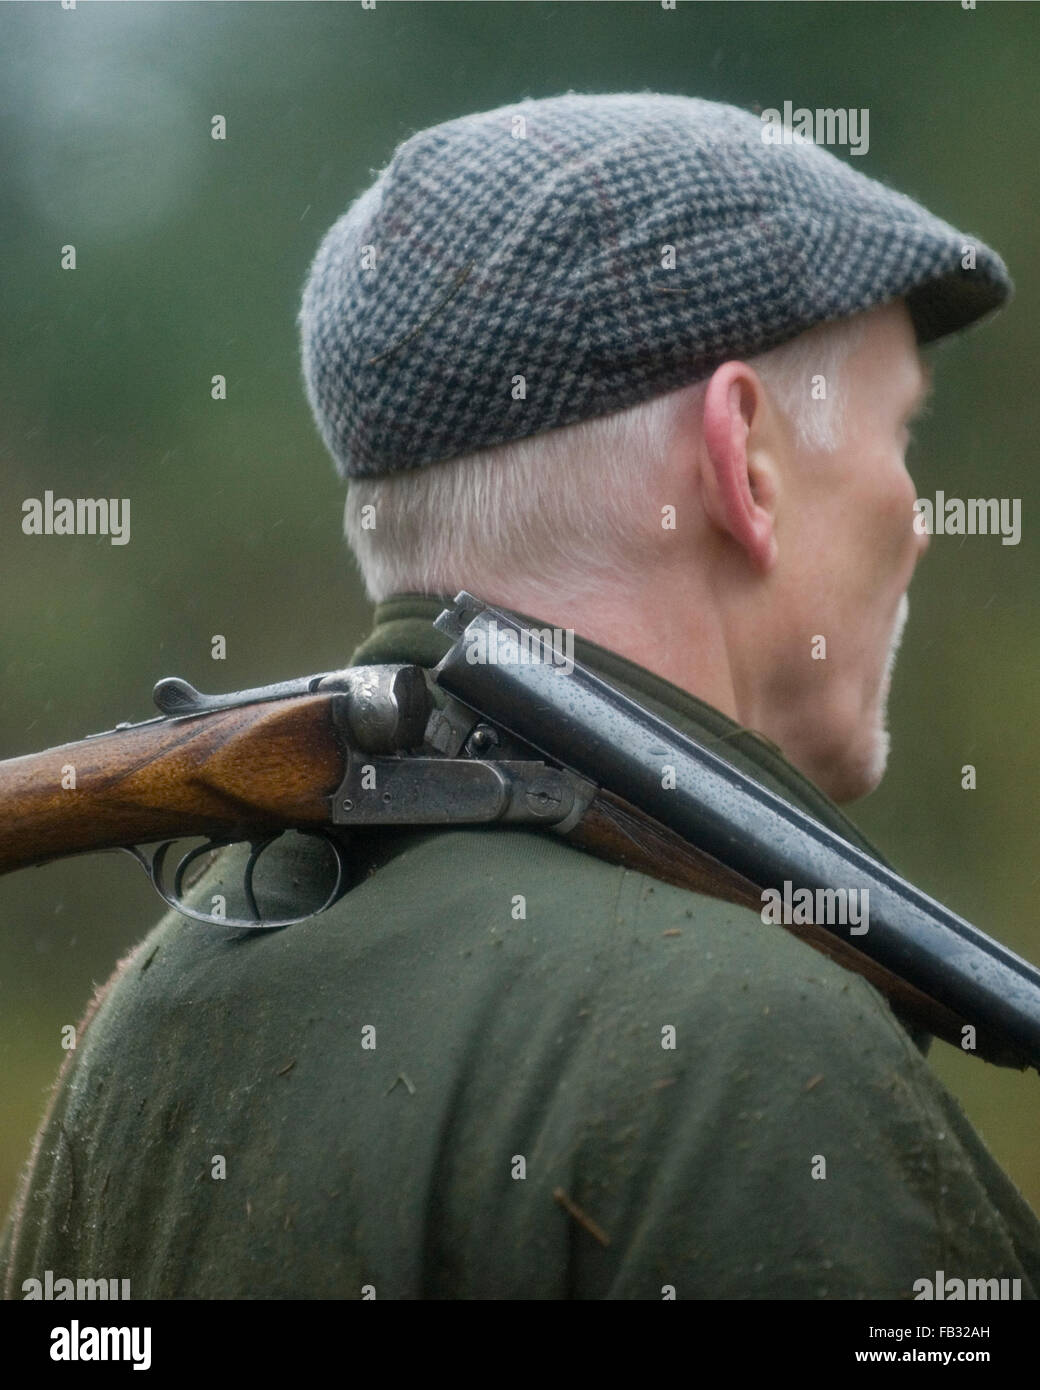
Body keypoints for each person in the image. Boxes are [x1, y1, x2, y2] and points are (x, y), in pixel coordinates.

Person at [3, 93, 1038, 1301]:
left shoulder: (144, 1019)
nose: (916, 522)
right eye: (898, 432)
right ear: (744, 459)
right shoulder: (751, 1050)